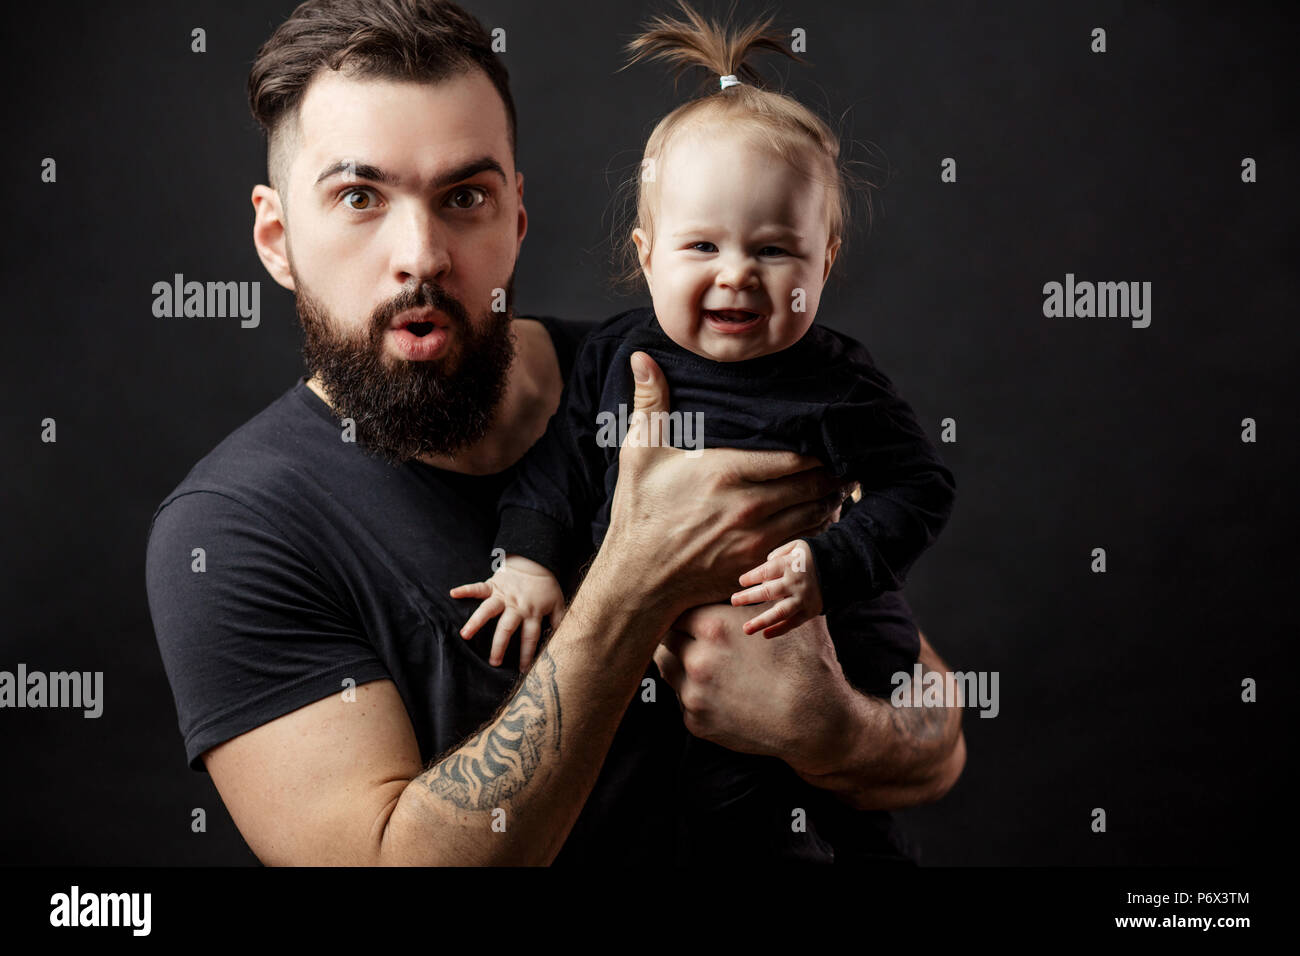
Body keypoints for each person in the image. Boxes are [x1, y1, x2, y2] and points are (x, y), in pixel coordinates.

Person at [144, 0, 965, 866]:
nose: (421, 254)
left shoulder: (669, 368)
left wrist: (831, 727)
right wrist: (634, 578)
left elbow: (938, 740)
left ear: (517, 216)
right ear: (277, 239)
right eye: (359, 197)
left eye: (466, 196)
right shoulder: (230, 533)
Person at [449, 2, 958, 861]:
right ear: (647, 255)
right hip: (672, 671)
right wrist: (529, 562)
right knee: (711, 816)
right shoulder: (616, 360)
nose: (736, 276)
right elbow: (556, 471)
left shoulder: (839, 383)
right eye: (701, 248)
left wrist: (825, 565)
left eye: (773, 251)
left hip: (822, 642)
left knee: (842, 822)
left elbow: (921, 489)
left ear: (824, 261)